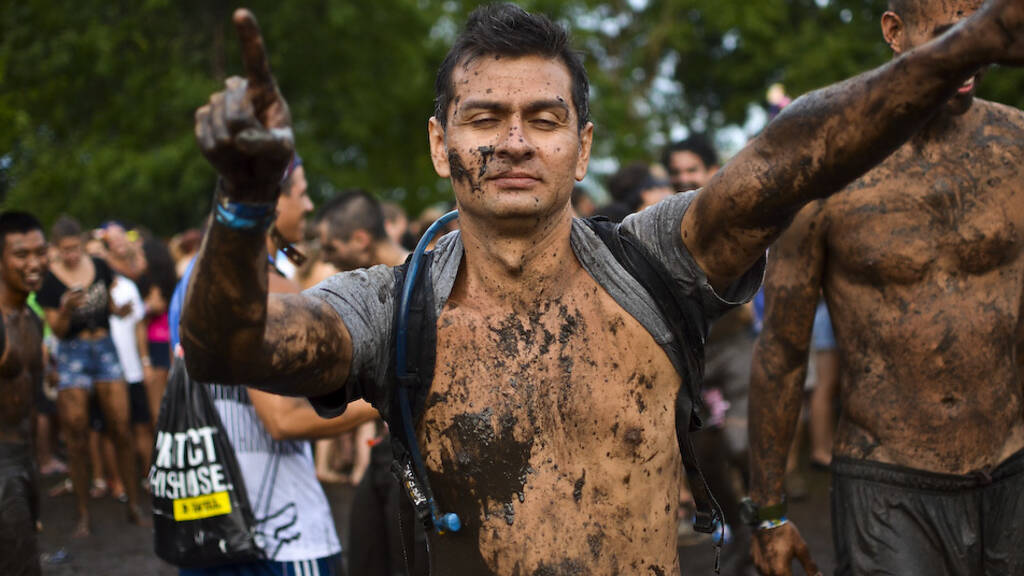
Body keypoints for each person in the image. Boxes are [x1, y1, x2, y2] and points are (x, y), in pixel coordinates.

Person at [183, 3, 1024, 574]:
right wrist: (245, 203)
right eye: (485, 119)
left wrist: (962, 43)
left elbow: (782, 161)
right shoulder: (390, 309)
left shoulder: (655, 264)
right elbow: (226, 346)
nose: (514, 142)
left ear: (582, 149)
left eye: (544, 120)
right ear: (441, 145)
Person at [747, 1, 1024, 574]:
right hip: (887, 485)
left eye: (983, 32)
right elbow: (781, 348)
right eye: (951, 34)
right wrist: (769, 512)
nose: (972, 51)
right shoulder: (827, 164)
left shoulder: (1017, 146)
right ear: (894, 32)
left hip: (1013, 466)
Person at [170, 154, 379, 576]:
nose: (306, 206)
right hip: (279, 531)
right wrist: (389, 397)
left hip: (212, 522)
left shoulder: (204, 274)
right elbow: (283, 419)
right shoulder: (264, 284)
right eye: (301, 193)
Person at [36, 215, 143, 536]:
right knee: (77, 433)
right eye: (64, 250)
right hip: (72, 352)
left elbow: (109, 304)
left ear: (82, 244)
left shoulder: (99, 265)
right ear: (56, 248)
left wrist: (120, 310)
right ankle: (83, 513)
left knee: (121, 426)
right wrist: (66, 307)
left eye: (75, 248)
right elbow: (56, 329)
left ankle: (133, 504)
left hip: (105, 347)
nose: (70, 255)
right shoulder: (50, 279)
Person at [0, 211, 48, 576]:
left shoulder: (33, 320)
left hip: (25, 457)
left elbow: (31, 399)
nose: (34, 263)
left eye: (40, 252)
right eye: (21, 254)